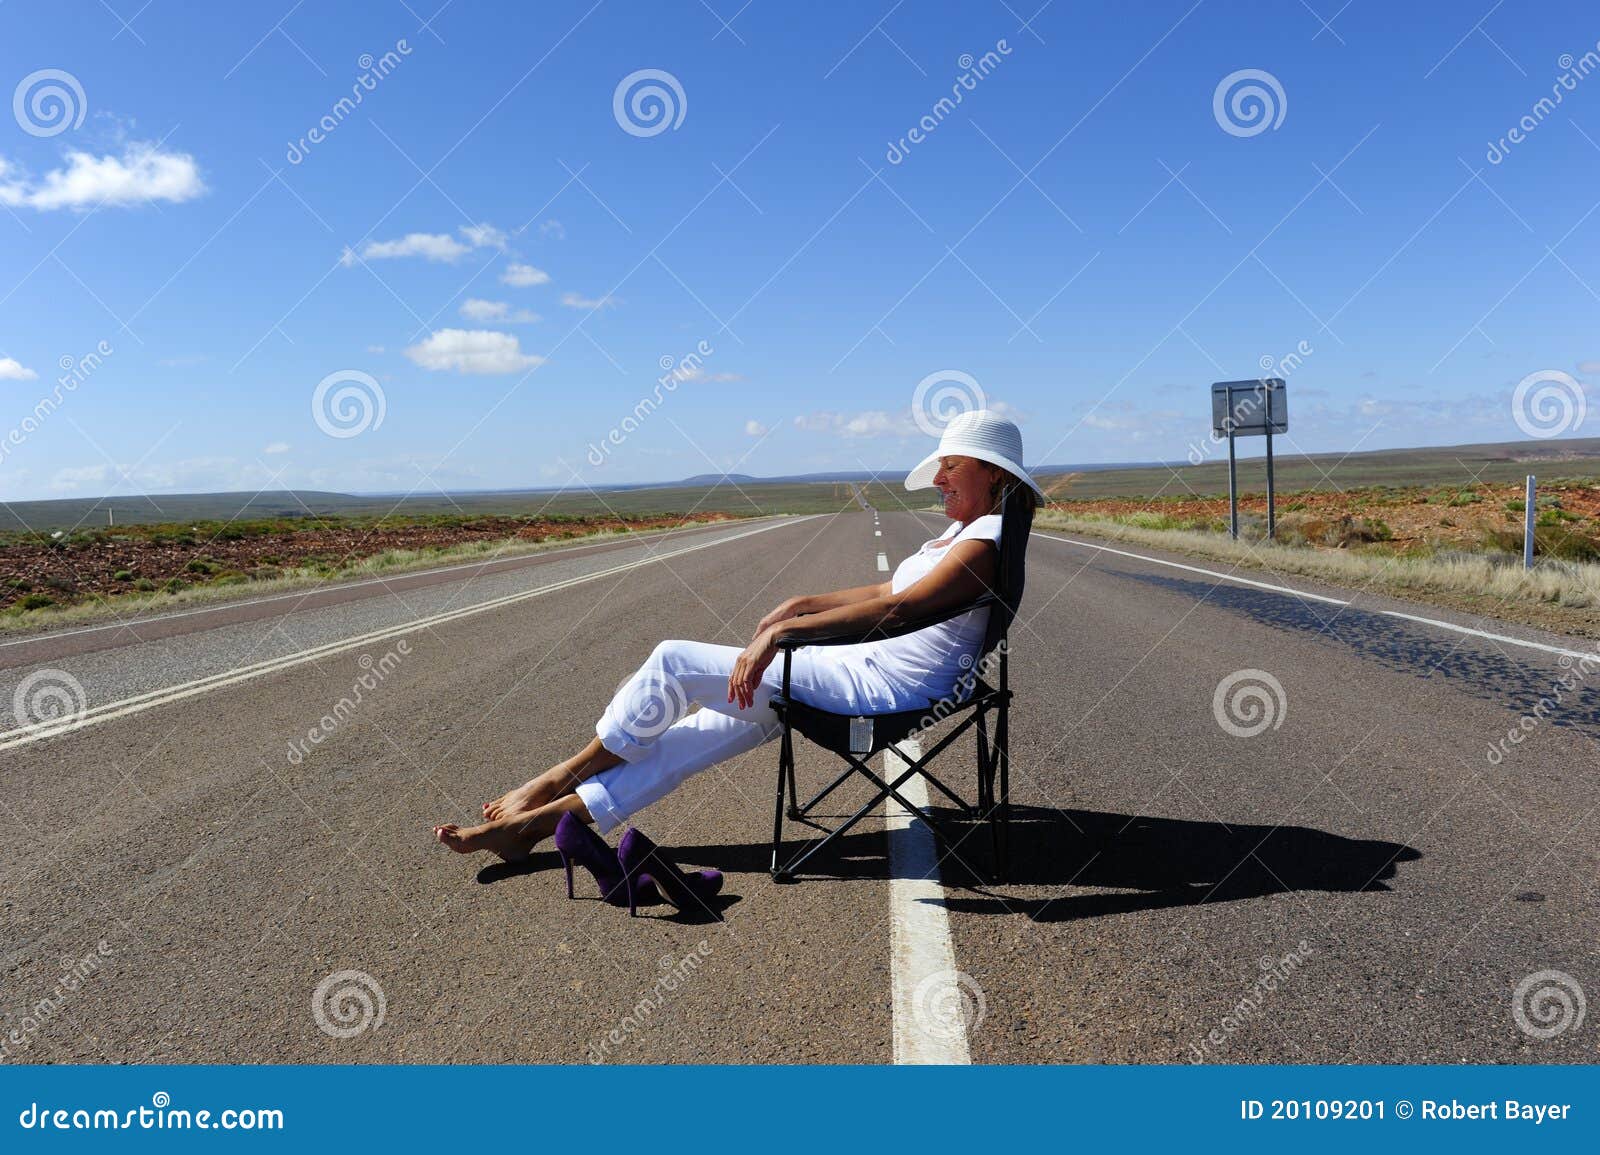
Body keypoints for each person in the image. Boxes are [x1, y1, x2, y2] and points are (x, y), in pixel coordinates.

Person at [433, 409, 1043, 861]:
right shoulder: (969, 535)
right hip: (860, 679)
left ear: (992, 474)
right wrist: (800, 605)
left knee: (673, 662)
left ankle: (558, 777)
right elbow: (884, 594)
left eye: (950, 465)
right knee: (691, 736)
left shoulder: (984, 545)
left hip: (878, 693)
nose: (938, 477)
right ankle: (531, 829)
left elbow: (899, 613)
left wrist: (783, 635)